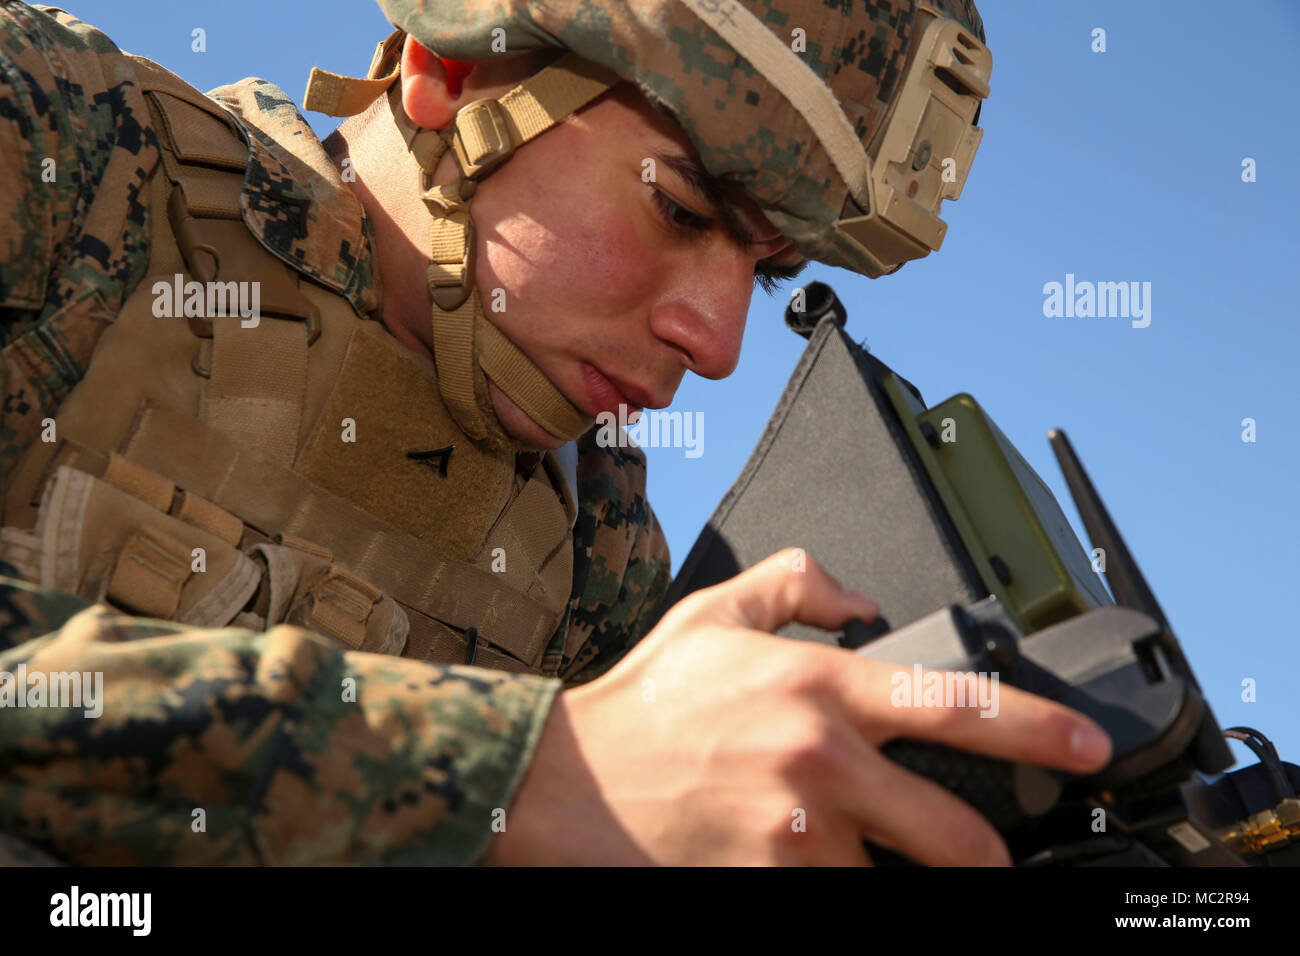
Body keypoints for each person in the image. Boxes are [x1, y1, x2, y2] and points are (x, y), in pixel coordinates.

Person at [0, 0, 1112, 865]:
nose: (718, 342)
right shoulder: (67, 148)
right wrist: (511, 772)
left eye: (768, 272)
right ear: (450, 74)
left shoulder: (596, 540)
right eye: (680, 208)